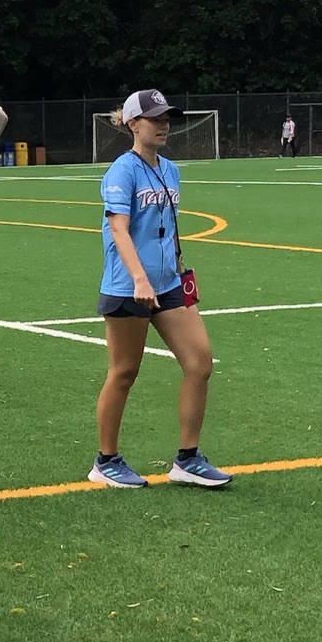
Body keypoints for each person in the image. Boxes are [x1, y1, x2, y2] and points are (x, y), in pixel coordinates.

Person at [91, 88, 230, 493]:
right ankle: (106, 461)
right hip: (127, 286)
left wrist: (177, 271)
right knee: (124, 371)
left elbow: (165, 229)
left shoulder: (170, 170)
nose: (164, 125)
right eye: (155, 118)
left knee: (200, 362)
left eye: (167, 118)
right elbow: (118, 228)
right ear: (133, 124)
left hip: (168, 285)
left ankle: (188, 459)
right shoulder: (121, 171)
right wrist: (138, 278)